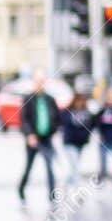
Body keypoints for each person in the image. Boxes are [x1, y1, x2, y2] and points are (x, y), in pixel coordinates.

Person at [17, 69, 61, 204]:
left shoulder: (50, 99)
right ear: (34, 83)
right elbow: (24, 120)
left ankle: (52, 195)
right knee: (29, 167)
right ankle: (21, 188)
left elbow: (56, 118)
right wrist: (29, 135)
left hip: (46, 138)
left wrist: (53, 130)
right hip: (32, 139)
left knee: (50, 166)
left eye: (42, 81)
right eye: (38, 81)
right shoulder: (28, 98)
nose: (40, 84)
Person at [59, 91, 96, 189]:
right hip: (69, 143)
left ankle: (64, 186)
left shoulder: (87, 113)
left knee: (73, 167)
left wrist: (87, 136)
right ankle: (78, 189)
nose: (80, 103)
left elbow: (91, 125)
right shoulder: (67, 112)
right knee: (75, 166)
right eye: (78, 101)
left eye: (82, 101)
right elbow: (62, 123)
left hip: (81, 143)